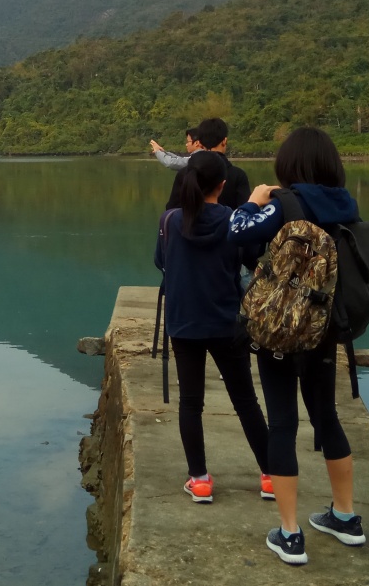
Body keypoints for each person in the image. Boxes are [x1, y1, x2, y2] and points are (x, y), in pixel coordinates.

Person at [228, 126, 365, 566]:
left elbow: (236, 231)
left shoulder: (286, 204)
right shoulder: (347, 204)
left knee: (283, 421)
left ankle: (290, 535)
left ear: (291, 165)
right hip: (324, 328)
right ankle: (345, 517)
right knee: (326, 414)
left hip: (284, 328)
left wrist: (254, 200)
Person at [153, 151, 273, 505]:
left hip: (185, 322)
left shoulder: (169, 221)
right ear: (222, 185)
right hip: (226, 322)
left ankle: (200, 480)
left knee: (191, 403)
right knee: (246, 401)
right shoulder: (233, 220)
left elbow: (160, 262)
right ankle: (270, 476)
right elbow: (253, 255)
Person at [150, 118, 251, 210]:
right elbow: (245, 214)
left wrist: (160, 152)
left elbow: (172, 209)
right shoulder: (238, 175)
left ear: (200, 143)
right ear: (224, 141)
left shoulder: (185, 173)